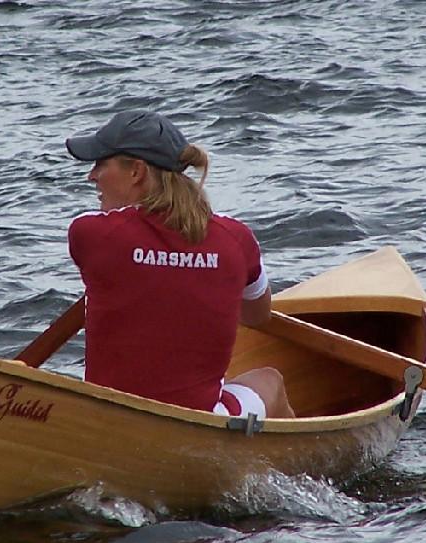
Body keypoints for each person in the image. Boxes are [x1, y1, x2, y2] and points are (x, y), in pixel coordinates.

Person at [65, 109, 295, 420]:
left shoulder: (90, 233)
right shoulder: (237, 239)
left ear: (137, 172)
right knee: (270, 380)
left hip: (109, 417)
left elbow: (132, 272)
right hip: (200, 419)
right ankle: (298, 464)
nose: (91, 175)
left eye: (100, 164)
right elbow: (257, 316)